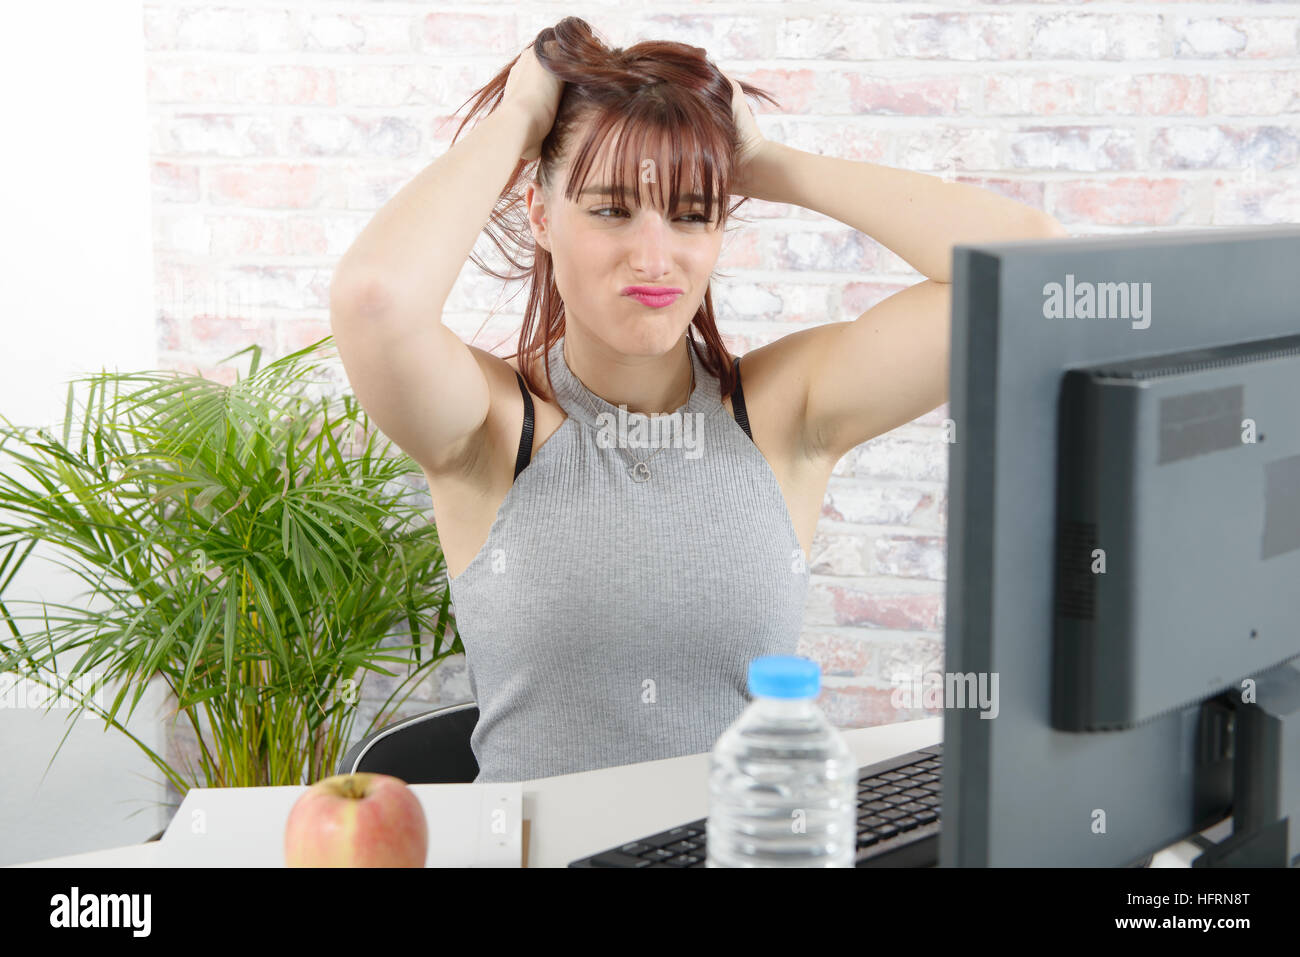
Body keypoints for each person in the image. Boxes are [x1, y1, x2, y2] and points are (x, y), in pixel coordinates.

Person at [330, 17, 1065, 782]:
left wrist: (765, 162)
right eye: (612, 209)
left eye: (691, 213)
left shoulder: (786, 414)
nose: (656, 257)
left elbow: (1030, 267)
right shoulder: (489, 426)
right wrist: (518, 119)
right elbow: (376, 299)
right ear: (542, 215)